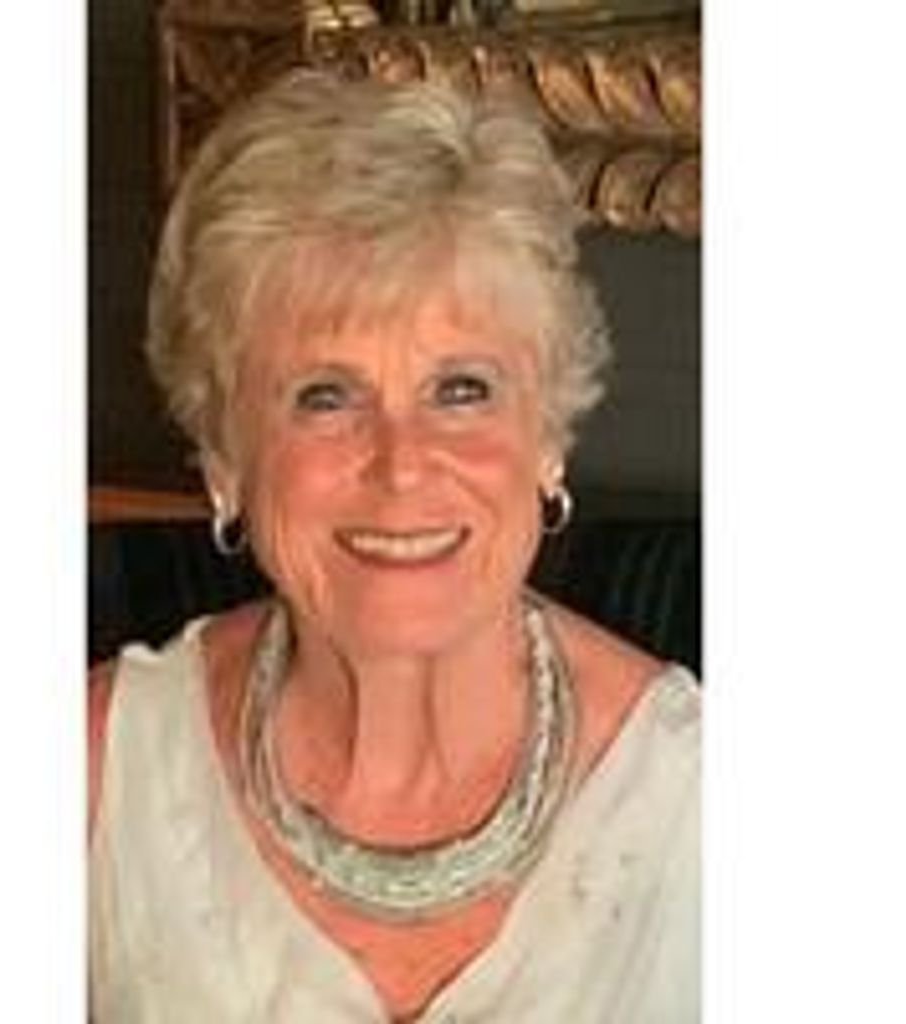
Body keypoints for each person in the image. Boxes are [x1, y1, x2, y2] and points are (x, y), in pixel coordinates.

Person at [88, 68, 700, 1023]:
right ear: (224, 458)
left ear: (548, 438)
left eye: (461, 389)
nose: (402, 465)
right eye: (324, 396)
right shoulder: (92, 780)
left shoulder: (706, 805)